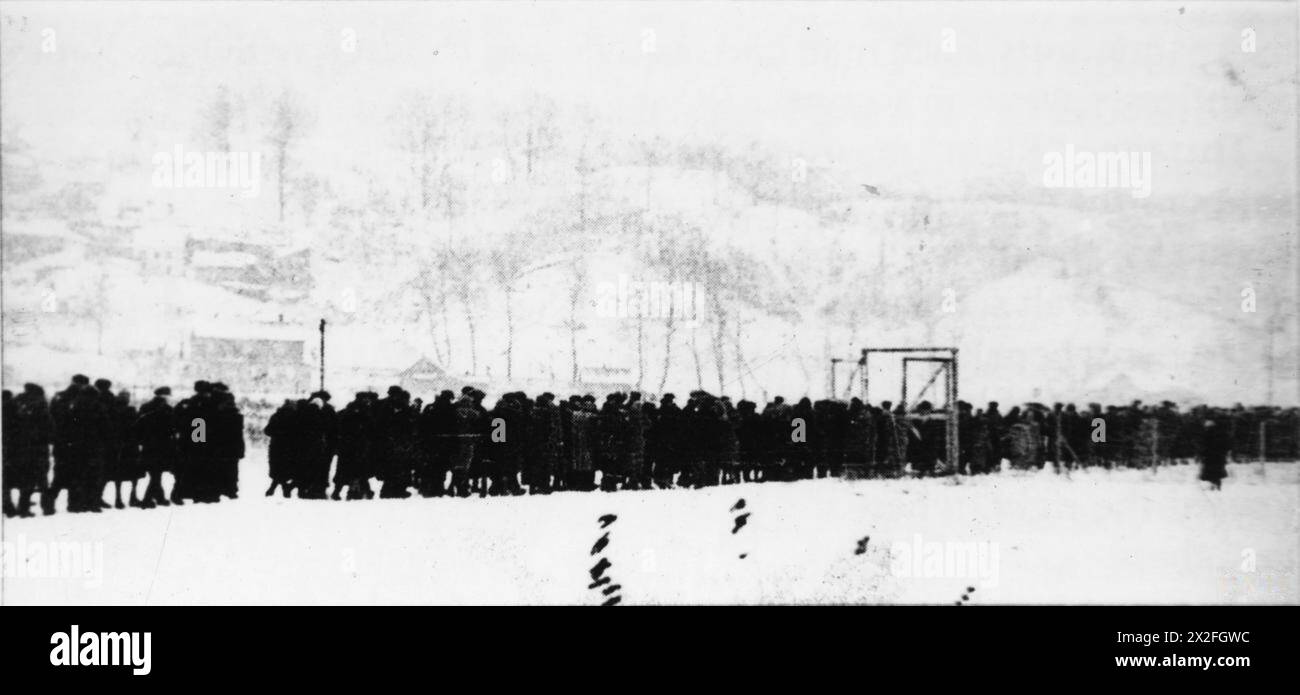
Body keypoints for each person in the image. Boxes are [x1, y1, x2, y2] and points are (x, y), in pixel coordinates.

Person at [137, 387, 176, 508]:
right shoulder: (167, 409)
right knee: (156, 473)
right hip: (162, 446)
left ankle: (160, 497)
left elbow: (139, 425)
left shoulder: (145, 407)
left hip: (149, 445)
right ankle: (147, 500)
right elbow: (173, 427)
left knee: (155, 473)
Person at [1200, 419, 1230, 490]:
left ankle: (1213, 484)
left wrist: (1202, 454)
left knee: (1211, 471)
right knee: (1217, 471)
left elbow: (1205, 445)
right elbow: (1225, 444)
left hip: (1210, 456)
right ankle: (1216, 484)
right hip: (1219, 456)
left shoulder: (1207, 434)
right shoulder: (1220, 433)